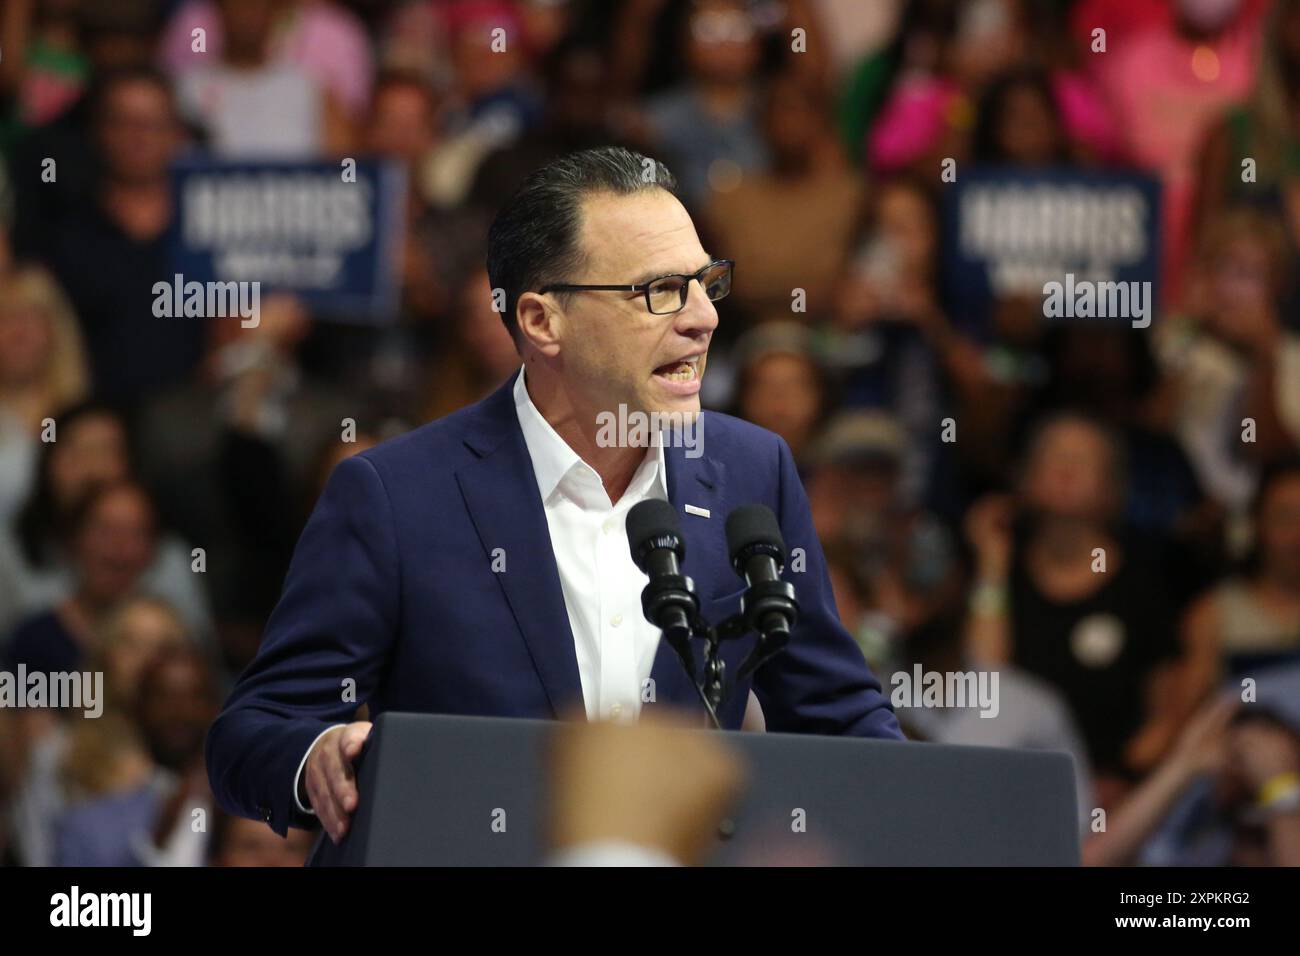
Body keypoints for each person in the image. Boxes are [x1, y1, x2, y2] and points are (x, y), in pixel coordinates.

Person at [206, 146, 904, 843]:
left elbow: (837, 713)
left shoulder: (754, 471)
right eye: (661, 291)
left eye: (705, 283)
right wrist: (315, 758)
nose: (702, 318)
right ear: (542, 321)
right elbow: (253, 731)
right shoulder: (394, 496)